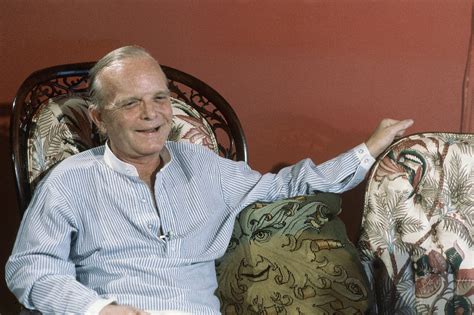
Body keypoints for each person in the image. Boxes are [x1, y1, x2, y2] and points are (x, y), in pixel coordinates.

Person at [5, 46, 414, 315]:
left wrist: (369, 147)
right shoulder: (70, 181)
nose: (152, 114)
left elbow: (287, 186)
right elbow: (30, 268)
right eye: (131, 103)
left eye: (160, 98)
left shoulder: (203, 167)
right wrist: (98, 309)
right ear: (99, 118)